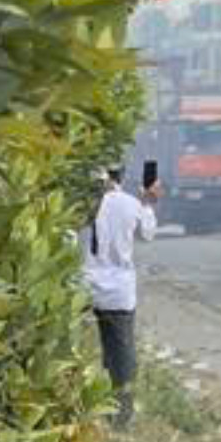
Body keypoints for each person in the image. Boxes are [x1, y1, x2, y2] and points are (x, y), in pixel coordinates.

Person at [85, 165, 159, 426]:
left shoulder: (81, 204)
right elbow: (147, 234)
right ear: (122, 176)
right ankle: (120, 415)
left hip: (82, 287)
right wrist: (148, 202)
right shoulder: (131, 204)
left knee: (81, 350)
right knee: (120, 353)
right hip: (118, 291)